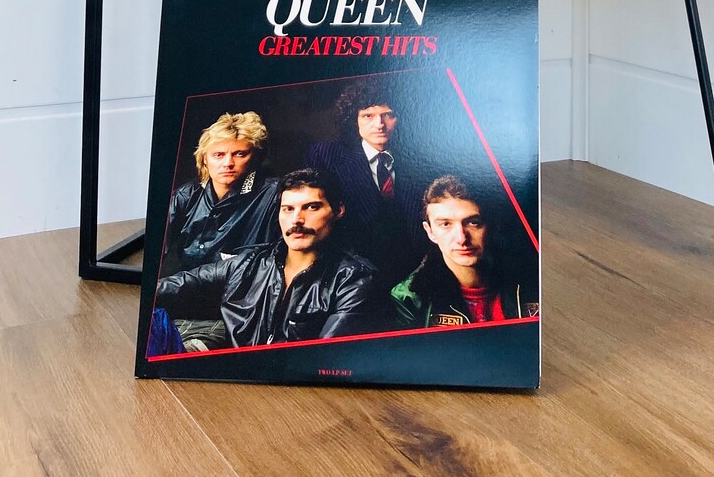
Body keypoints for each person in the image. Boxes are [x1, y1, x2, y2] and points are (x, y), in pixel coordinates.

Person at [154, 168, 386, 348]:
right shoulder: (250, 263)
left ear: (338, 211)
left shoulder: (355, 280)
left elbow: (320, 357)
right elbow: (178, 285)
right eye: (288, 209)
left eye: (311, 207)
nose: (297, 220)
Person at [160, 110, 281, 351]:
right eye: (218, 154)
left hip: (238, 312)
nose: (228, 163)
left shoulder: (274, 194)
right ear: (204, 158)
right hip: (185, 301)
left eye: (239, 154)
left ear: (254, 157)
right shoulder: (186, 195)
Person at [305, 79, 424, 282]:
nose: (380, 125)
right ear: (355, 120)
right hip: (352, 274)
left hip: (414, 271)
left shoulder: (421, 157)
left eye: (388, 115)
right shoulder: (326, 155)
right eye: (368, 116)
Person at [391, 175, 539, 329]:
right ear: (430, 232)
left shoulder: (532, 276)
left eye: (473, 223)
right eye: (446, 224)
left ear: (492, 225)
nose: (461, 238)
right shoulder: (410, 297)